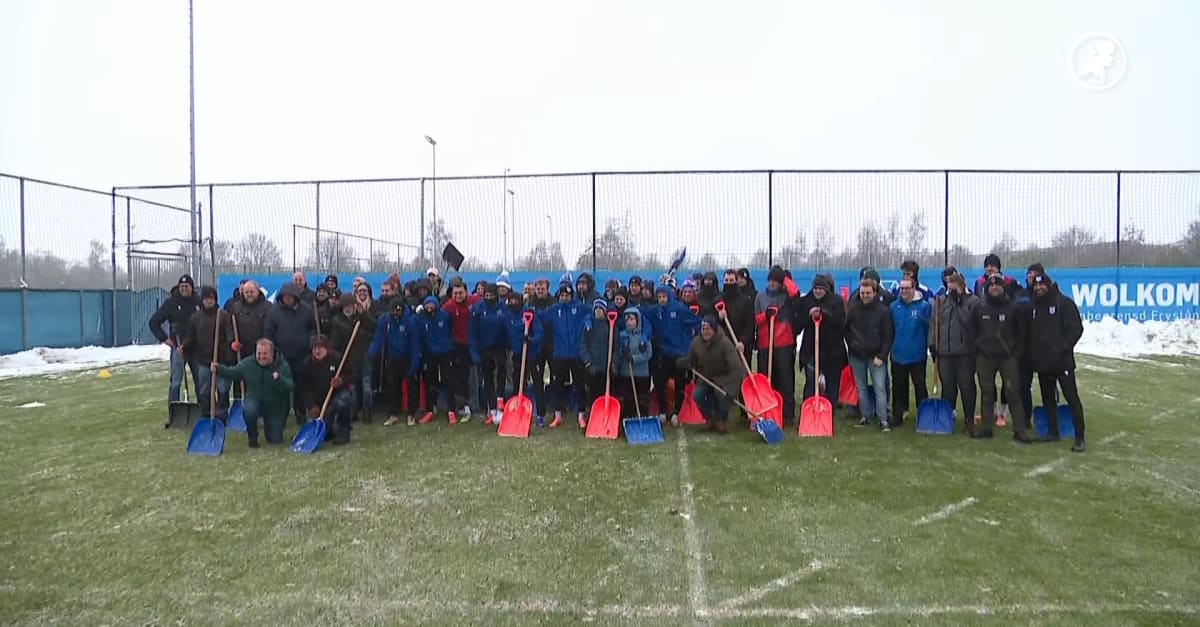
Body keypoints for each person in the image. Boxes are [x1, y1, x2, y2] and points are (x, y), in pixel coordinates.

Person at [1025, 272, 1087, 452]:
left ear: (1048, 285)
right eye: (1036, 286)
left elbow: (1076, 328)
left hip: (1062, 362)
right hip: (1043, 363)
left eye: (1042, 285)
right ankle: (1053, 432)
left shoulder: (1064, 303)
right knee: (1048, 399)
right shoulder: (1033, 306)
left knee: (1071, 398)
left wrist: (1064, 347)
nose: (1038, 288)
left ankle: (1080, 437)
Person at [971, 274, 1032, 443]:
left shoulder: (1013, 308)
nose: (994, 288)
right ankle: (986, 428)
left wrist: (1015, 353)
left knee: (1013, 393)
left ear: (1003, 287)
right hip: (985, 357)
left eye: (997, 285)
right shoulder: (979, 307)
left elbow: (1021, 333)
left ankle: (1019, 430)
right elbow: (972, 330)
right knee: (987, 393)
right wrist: (979, 349)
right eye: (991, 286)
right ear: (987, 288)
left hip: (1008, 358)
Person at [213, 338, 294, 447]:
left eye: (265, 354)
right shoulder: (247, 364)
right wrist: (218, 369)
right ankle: (253, 436)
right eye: (259, 353)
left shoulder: (282, 365)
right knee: (249, 410)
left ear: (272, 353)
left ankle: (272, 429)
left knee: (275, 440)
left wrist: (279, 379)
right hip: (255, 399)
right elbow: (233, 373)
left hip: (276, 406)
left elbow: (290, 386)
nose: (261, 357)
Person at [929, 272, 979, 434]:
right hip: (945, 352)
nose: (950, 293)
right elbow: (933, 324)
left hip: (965, 353)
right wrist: (932, 344)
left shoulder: (973, 302)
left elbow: (972, 325)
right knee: (948, 387)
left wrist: (960, 304)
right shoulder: (940, 302)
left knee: (967, 386)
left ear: (962, 287)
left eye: (953, 290)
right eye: (948, 289)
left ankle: (969, 419)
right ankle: (947, 417)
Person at [650, 283, 702, 426]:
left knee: (680, 384)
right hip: (663, 353)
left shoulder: (679, 309)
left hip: (680, 354)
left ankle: (676, 412)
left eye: (664, 296)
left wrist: (693, 342)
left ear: (670, 296)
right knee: (659, 381)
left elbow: (697, 322)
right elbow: (643, 315)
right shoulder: (655, 311)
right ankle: (662, 410)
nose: (661, 299)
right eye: (659, 297)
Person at [148, 274, 201, 414]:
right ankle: (174, 413)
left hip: (197, 348)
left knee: (200, 381)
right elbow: (154, 322)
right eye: (182, 286)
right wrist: (164, 338)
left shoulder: (198, 302)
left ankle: (203, 411)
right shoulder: (170, 303)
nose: (184, 289)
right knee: (176, 382)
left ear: (192, 288)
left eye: (187, 286)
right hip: (178, 348)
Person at [845, 279, 894, 430]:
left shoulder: (883, 311)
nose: (865, 295)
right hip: (857, 356)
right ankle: (865, 416)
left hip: (876, 357)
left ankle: (883, 419)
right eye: (862, 293)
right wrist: (852, 346)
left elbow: (888, 335)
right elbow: (846, 330)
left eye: (868, 293)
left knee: (880, 388)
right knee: (861, 387)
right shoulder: (852, 309)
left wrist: (882, 355)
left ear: (874, 293)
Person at [182, 286, 236, 421]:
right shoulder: (196, 317)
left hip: (221, 359)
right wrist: (184, 345)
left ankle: (222, 414)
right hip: (203, 360)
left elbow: (230, 333)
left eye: (211, 298)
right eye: (206, 298)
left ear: (215, 299)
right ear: (202, 300)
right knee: (204, 390)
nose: (209, 301)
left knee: (223, 388)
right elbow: (191, 336)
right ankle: (207, 414)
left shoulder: (222, 315)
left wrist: (232, 343)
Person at [680, 316, 743, 433]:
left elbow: (737, 369)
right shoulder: (696, 343)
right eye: (703, 329)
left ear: (714, 329)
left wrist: (724, 384)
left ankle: (722, 420)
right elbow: (691, 361)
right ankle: (710, 417)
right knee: (697, 395)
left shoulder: (725, 343)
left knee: (722, 395)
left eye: (708, 329)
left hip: (726, 378)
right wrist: (686, 363)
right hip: (707, 378)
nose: (705, 332)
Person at [265, 283, 316, 424]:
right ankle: (281, 415)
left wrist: (310, 344)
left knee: (300, 387)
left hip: (302, 356)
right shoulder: (274, 311)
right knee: (281, 387)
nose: (287, 299)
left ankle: (301, 414)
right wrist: (271, 351)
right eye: (284, 296)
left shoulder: (306, 310)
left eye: (290, 296)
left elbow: (313, 330)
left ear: (295, 297)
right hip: (281, 357)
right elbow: (268, 332)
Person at [754, 267, 800, 424]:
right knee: (766, 379)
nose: (772, 283)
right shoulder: (760, 298)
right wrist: (764, 316)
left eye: (776, 280)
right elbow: (756, 320)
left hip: (784, 343)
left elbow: (796, 293)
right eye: (771, 279)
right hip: (765, 343)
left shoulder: (787, 297)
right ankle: (766, 411)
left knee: (785, 380)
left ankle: (787, 414)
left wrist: (785, 278)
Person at [796, 273, 846, 414]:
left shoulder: (836, 301)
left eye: (821, 289)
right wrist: (808, 315)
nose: (817, 291)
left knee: (832, 383)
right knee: (811, 381)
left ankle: (829, 412)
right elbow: (797, 325)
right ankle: (809, 411)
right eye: (815, 288)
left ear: (826, 289)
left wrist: (824, 314)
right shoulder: (806, 301)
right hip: (811, 349)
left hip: (832, 350)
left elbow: (840, 323)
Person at [370, 298, 422, 426]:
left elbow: (415, 345)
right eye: (393, 310)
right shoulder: (384, 320)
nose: (396, 313)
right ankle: (393, 414)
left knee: (411, 386)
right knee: (392, 386)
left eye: (398, 310)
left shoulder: (410, 322)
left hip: (407, 357)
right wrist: (371, 353)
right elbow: (378, 338)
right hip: (393, 357)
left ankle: (411, 414)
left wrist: (415, 364)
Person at [888, 277, 932, 427]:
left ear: (914, 289)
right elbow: (890, 330)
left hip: (917, 355)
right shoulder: (893, 307)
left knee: (920, 385)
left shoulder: (924, 307)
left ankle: (924, 415)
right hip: (898, 354)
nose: (904, 291)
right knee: (898, 386)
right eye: (902, 288)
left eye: (907, 288)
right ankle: (897, 415)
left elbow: (929, 329)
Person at [547, 284, 590, 428]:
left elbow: (594, 312)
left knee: (579, 384)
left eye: (567, 296)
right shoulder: (554, 310)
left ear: (572, 296)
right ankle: (558, 415)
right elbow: (541, 317)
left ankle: (581, 414)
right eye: (562, 296)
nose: (564, 298)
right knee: (558, 385)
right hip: (560, 354)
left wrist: (589, 321)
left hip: (577, 353)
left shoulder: (579, 308)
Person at [301, 335, 355, 445]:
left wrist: (341, 380)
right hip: (319, 403)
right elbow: (304, 388)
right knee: (325, 434)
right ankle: (328, 430)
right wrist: (311, 405)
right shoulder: (307, 365)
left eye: (320, 347)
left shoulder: (337, 358)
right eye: (315, 348)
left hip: (336, 397)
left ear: (327, 348)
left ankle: (343, 433)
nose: (317, 351)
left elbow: (353, 374)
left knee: (343, 403)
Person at [470, 283, 509, 424]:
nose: (489, 297)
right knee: (487, 377)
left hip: (499, 346)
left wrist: (509, 343)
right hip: (484, 347)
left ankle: (500, 400)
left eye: (491, 295)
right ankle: (491, 410)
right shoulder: (477, 309)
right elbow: (472, 332)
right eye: (486, 295)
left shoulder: (502, 308)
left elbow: (507, 326)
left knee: (501, 370)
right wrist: (474, 352)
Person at [502, 290, 544, 417]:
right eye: (511, 301)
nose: (513, 303)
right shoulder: (507, 316)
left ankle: (540, 413)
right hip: (518, 354)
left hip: (532, 354)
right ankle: (516, 410)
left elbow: (540, 333)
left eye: (516, 301)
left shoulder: (529, 314)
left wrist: (530, 340)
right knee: (517, 383)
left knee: (537, 383)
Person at [414, 295, 453, 424]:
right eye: (427, 305)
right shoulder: (421, 319)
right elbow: (418, 336)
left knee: (448, 380)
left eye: (431, 305)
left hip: (445, 352)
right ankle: (430, 410)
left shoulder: (445, 316)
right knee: (430, 382)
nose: (429, 308)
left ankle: (451, 410)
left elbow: (450, 331)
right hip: (429, 354)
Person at [442, 282, 476, 423]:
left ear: (466, 292)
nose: (458, 296)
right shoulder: (447, 307)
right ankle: (464, 407)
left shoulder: (475, 301)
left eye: (460, 293)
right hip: (458, 346)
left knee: (475, 377)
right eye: (455, 293)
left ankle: (478, 405)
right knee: (461, 378)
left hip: (474, 344)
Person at [579, 299, 614, 430]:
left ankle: (608, 419)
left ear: (605, 311)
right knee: (592, 395)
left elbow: (614, 346)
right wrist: (588, 363)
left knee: (606, 394)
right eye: (596, 308)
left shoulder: (609, 326)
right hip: (593, 367)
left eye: (600, 308)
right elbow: (583, 346)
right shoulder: (589, 327)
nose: (598, 311)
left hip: (606, 367)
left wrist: (613, 363)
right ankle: (592, 418)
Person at [614, 307, 652, 418]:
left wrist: (634, 358)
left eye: (632, 320)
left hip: (641, 373)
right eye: (627, 320)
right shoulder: (622, 335)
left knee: (642, 399)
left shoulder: (643, 337)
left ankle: (643, 417)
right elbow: (617, 351)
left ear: (637, 321)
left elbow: (648, 354)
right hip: (626, 373)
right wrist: (622, 352)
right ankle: (628, 419)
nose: (629, 322)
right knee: (628, 399)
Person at [717, 268, 755, 370]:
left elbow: (750, 325)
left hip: (741, 347)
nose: (728, 283)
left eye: (731, 280)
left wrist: (743, 341)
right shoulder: (717, 301)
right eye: (726, 280)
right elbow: (712, 324)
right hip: (722, 347)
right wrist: (719, 317)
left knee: (741, 375)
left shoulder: (745, 302)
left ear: (736, 281)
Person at [227, 280, 271, 362]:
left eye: (252, 292)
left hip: (261, 353)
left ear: (257, 292)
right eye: (246, 292)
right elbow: (230, 326)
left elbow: (270, 328)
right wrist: (232, 341)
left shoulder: (267, 307)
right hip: (241, 352)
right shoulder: (235, 307)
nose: (249, 294)